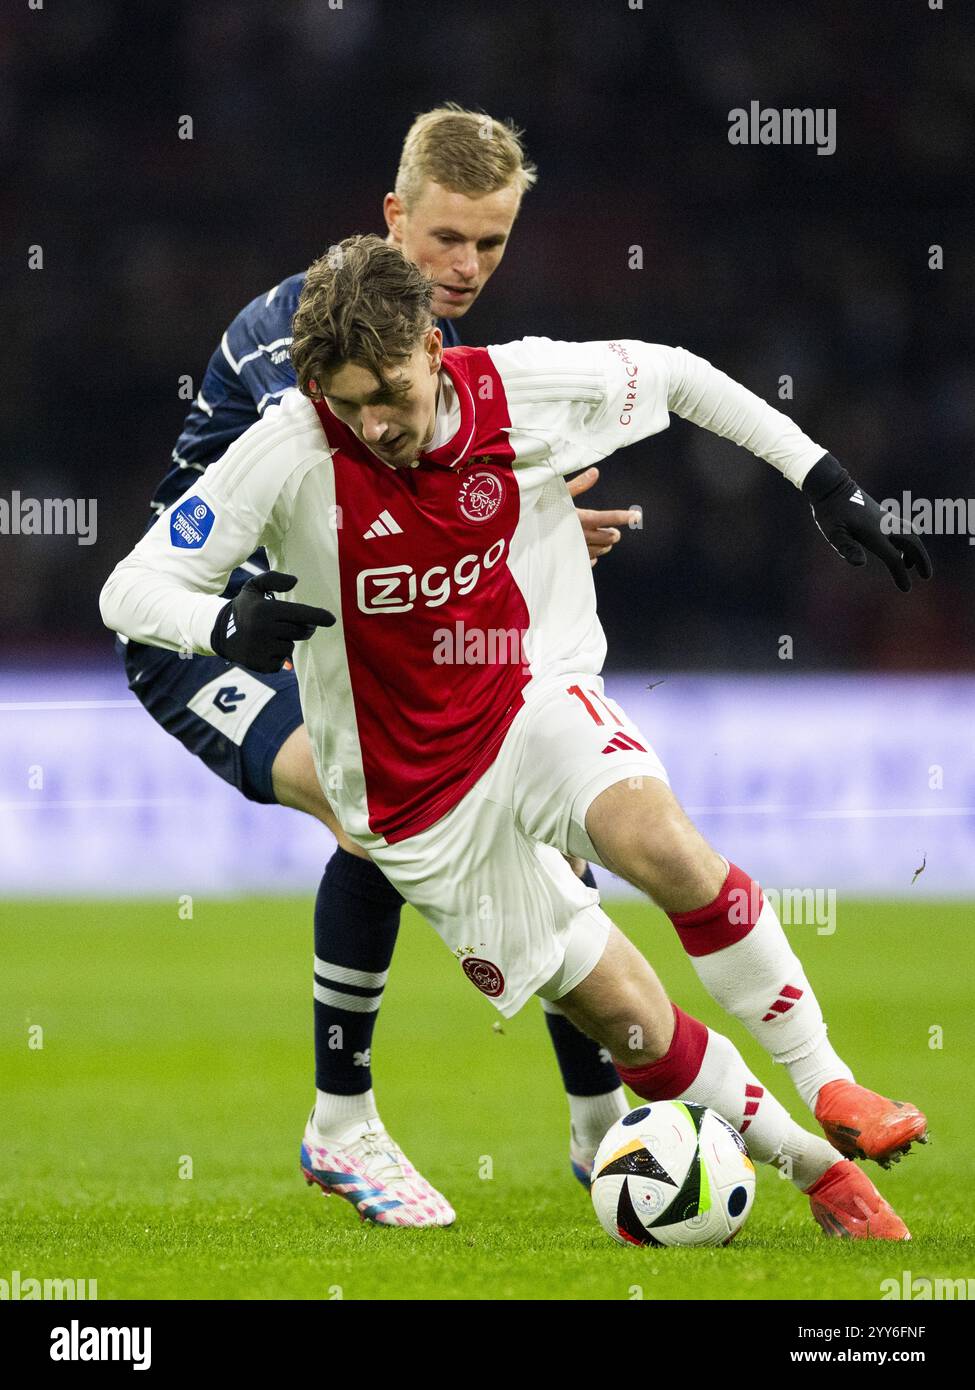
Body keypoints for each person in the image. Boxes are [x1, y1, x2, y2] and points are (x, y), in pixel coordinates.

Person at [101, 235, 932, 1237]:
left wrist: (821, 476)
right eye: (349, 402)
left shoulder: (514, 386)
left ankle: (835, 1084)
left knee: (659, 843)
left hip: (519, 712)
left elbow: (675, 374)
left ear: (428, 349)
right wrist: (222, 624)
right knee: (630, 1019)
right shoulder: (287, 448)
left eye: (391, 397)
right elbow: (132, 588)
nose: (374, 425)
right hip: (414, 810)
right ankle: (815, 1170)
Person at [112, 107, 638, 1227]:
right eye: (447, 238)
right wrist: (509, 520)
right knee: (379, 812)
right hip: (206, 637)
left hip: (347, 638)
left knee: (529, 801)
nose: (466, 268)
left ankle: (604, 1133)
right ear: (393, 215)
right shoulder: (297, 338)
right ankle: (340, 1124)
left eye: (491, 245)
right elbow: (336, 500)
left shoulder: (434, 348)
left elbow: (438, 500)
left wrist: (527, 523)